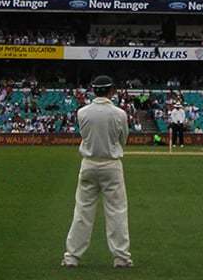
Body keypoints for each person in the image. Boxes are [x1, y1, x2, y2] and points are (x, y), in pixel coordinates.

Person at [62, 75, 132, 269]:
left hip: (89, 163)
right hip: (111, 164)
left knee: (82, 211)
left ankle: (72, 257)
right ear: (111, 91)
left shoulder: (82, 112)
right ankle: (121, 257)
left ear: (94, 91)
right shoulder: (119, 114)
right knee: (117, 211)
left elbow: (84, 136)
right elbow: (123, 139)